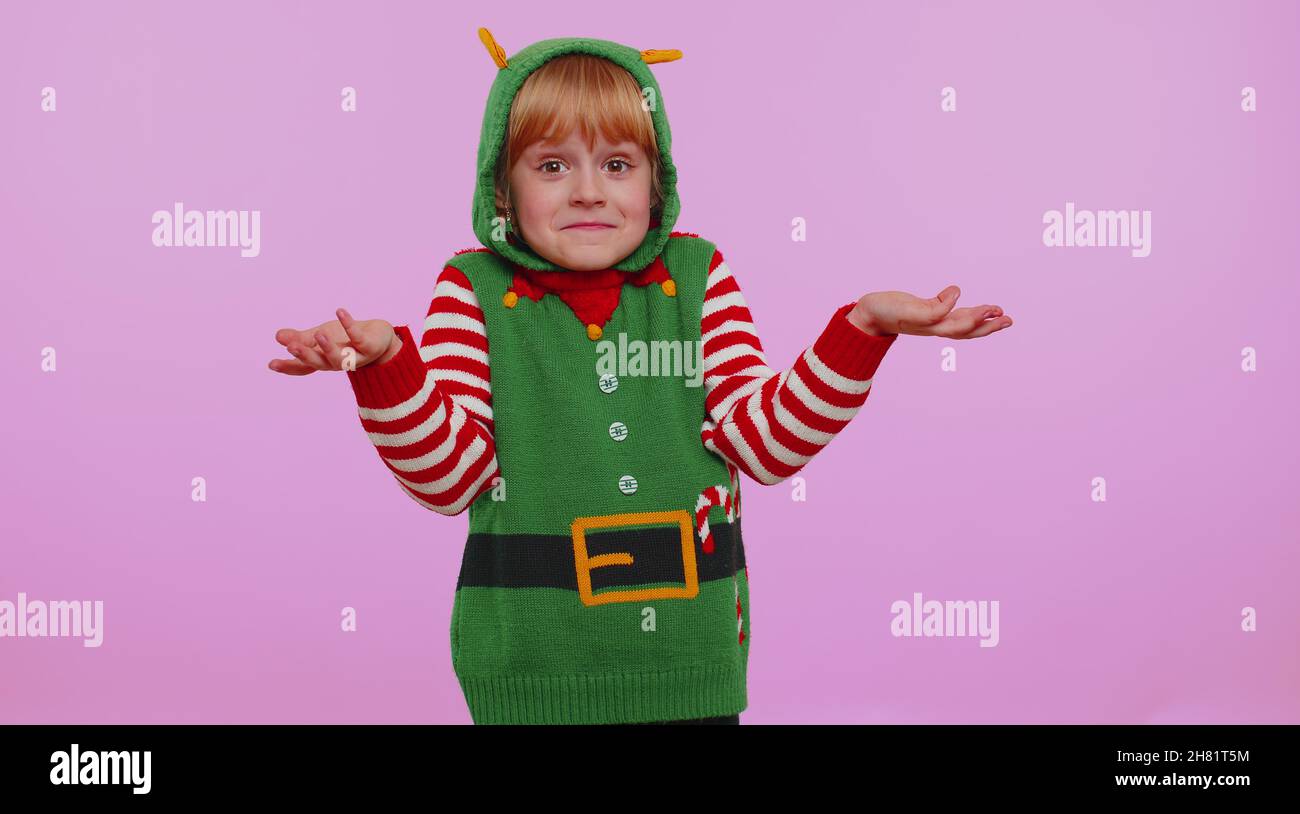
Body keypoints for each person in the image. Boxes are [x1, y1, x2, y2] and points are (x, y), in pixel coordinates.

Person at [268, 29, 1012, 725]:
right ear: (502, 190)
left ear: (657, 184)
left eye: (617, 164)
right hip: (527, 681)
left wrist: (863, 330)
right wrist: (388, 367)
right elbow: (451, 479)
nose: (589, 191)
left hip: (693, 672)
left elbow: (763, 445)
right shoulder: (471, 290)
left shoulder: (698, 275)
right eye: (553, 164)